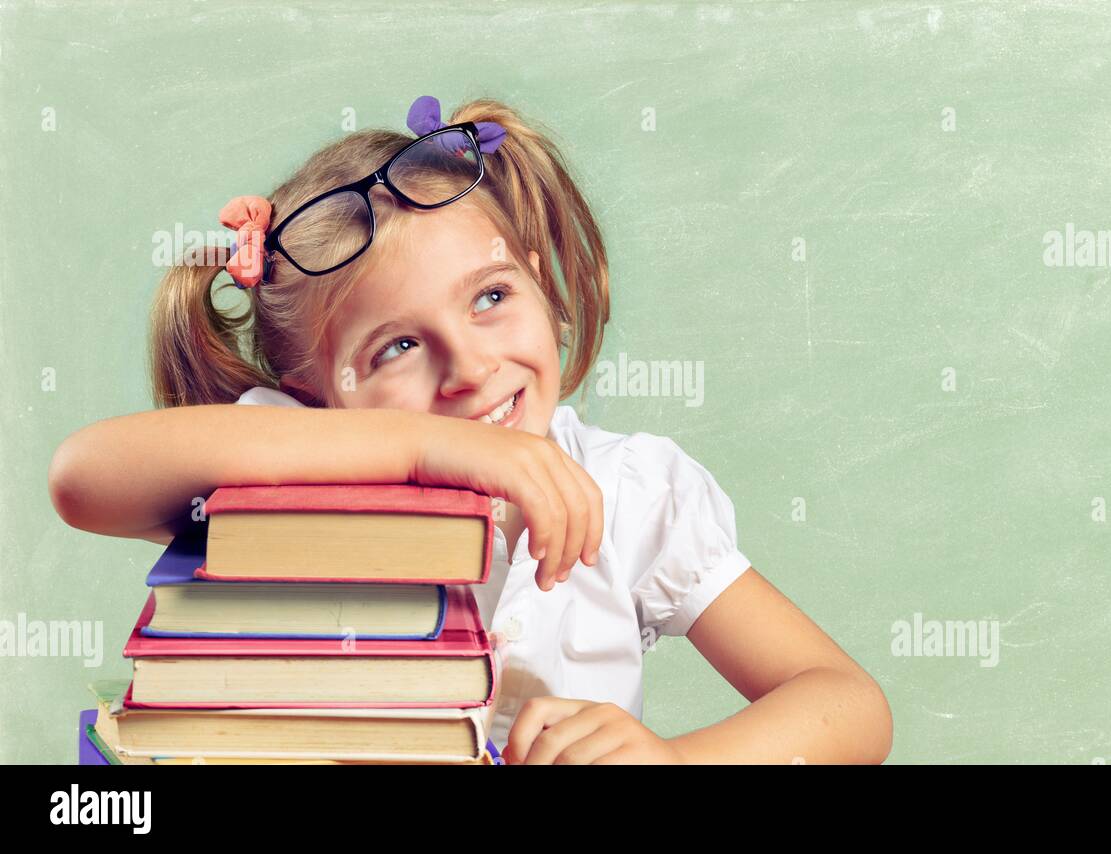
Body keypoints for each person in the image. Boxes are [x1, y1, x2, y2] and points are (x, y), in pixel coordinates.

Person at [47, 95, 891, 764]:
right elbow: (84, 476)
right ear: (312, 394)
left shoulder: (633, 492)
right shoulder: (294, 456)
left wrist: (675, 762)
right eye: (399, 347)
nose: (471, 369)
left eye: (492, 297)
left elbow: (847, 704)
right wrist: (426, 448)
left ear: (543, 284)